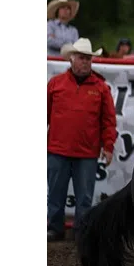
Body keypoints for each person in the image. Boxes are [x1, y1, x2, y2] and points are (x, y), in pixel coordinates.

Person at [47, 38, 117, 241]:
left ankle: (81, 231)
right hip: (58, 149)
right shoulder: (55, 84)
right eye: (81, 58)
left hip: (87, 152)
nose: (85, 62)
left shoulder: (101, 88)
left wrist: (109, 145)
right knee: (55, 194)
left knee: (85, 197)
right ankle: (55, 227)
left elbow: (108, 120)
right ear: (71, 59)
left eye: (88, 58)